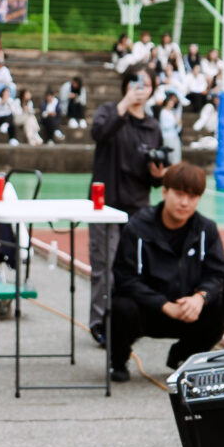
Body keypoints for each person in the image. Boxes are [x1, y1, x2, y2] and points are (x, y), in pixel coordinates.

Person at [108, 160, 224, 378]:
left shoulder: (206, 229)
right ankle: (118, 360)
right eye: (179, 194)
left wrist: (199, 298)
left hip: (188, 311)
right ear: (164, 192)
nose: (184, 202)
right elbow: (125, 277)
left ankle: (183, 355)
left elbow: (217, 274)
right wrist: (163, 305)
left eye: (192, 196)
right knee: (119, 306)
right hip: (149, 311)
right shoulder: (137, 227)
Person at [86, 68, 163, 344]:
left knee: (135, 268)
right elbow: (99, 133)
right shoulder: (110, 112)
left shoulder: (153, 127)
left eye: (146, 84)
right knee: (104, 266)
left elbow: (154, 175)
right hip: (105, 204)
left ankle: (128, 322)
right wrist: (124, 104)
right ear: (125, 85)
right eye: (135, 82)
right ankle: (100, 323)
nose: (140, 88)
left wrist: (158, 174)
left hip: (138, 206)